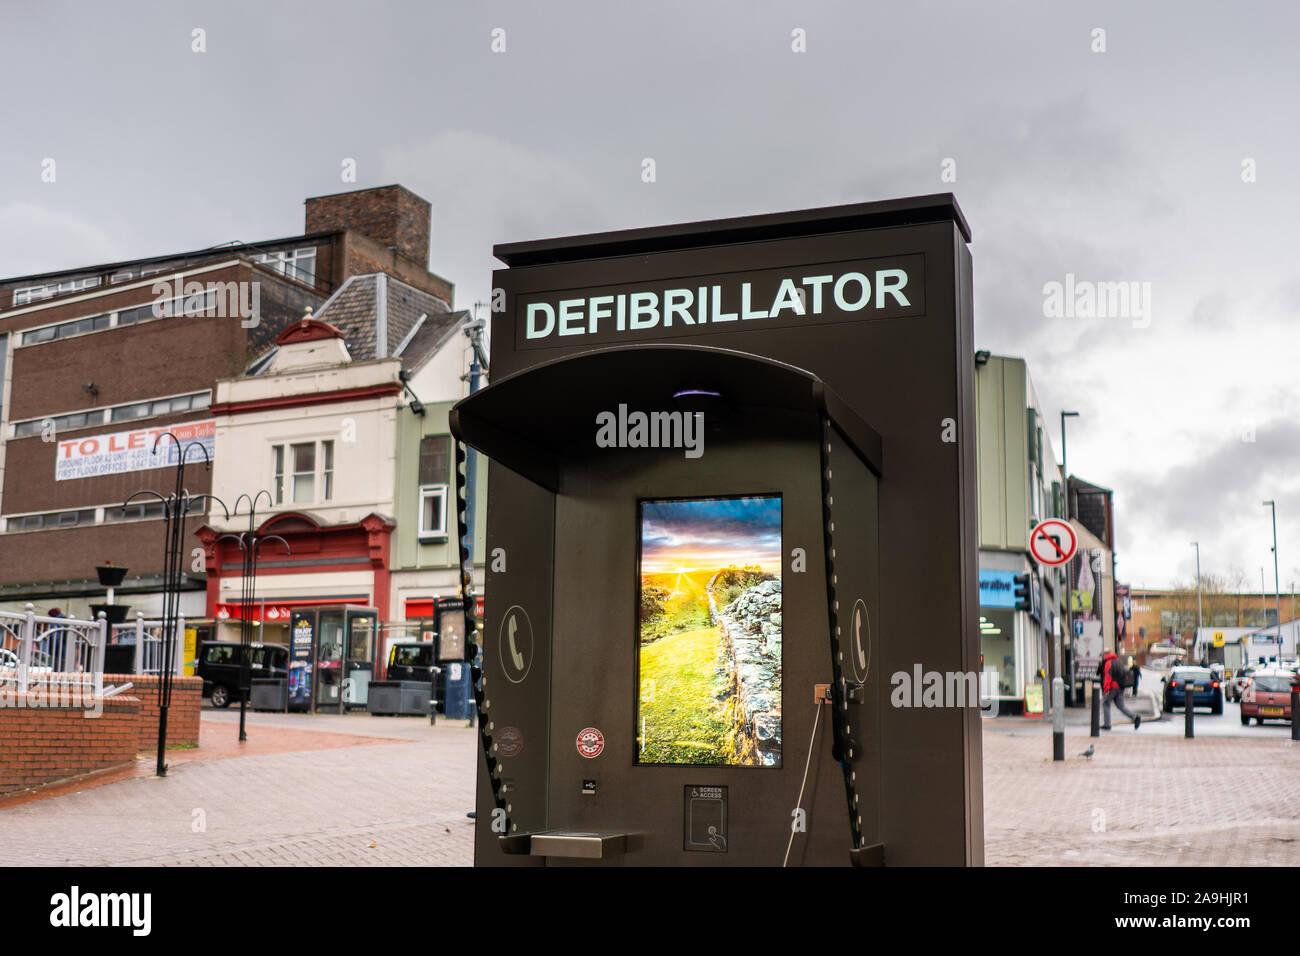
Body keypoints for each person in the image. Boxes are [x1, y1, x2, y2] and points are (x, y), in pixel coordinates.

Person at [1101, 650, 1140, 730]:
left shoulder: (1108, 663)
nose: (1103, 657)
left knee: (1106, 704)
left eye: (1103, 655)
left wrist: (1106, 689)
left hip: (1112, 687)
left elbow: (1107, 677)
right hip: (1120, 687)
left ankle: (1107, 724)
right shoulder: (1119, 662)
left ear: (1106, 655)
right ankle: (1135, 717)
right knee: (1121, 706)